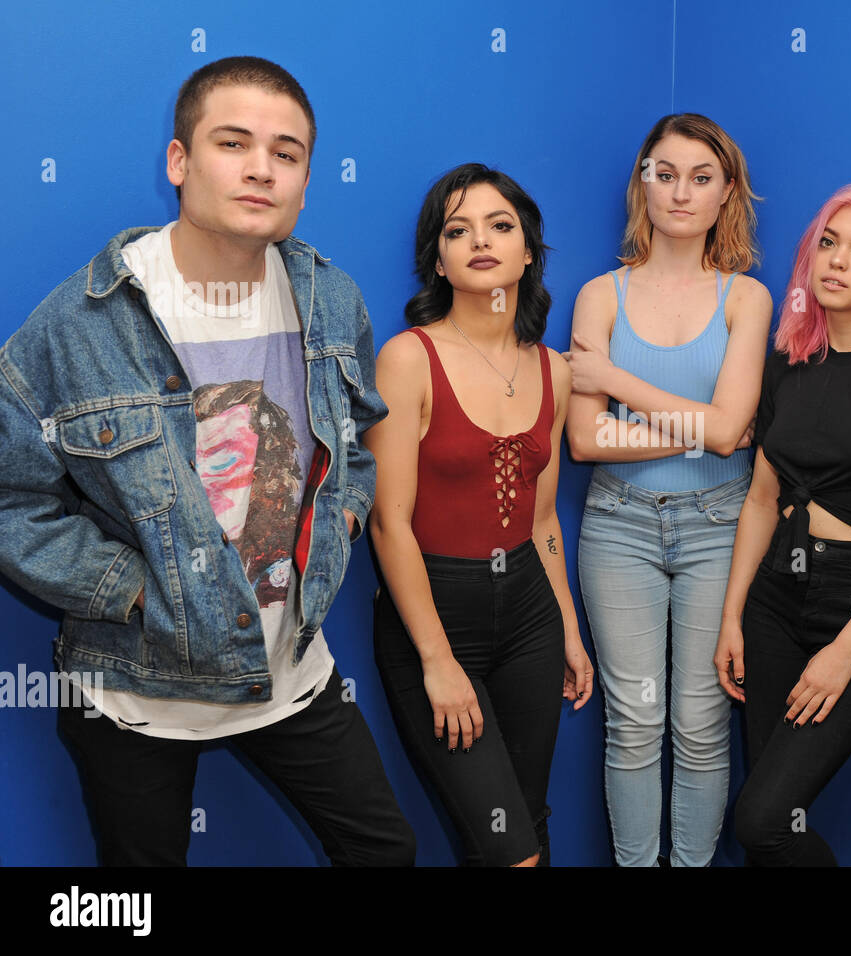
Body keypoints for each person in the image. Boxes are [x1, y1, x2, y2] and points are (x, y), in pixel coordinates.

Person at [0, 56, 415, 865]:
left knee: (386, 853)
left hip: (292, 671)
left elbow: (356, 440)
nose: (261, 167)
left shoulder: (332, 299)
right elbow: (9, 497)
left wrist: (348, 513)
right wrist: (127, 590)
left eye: (287, 153)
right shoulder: (80, 326)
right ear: (179, 162)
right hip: (136, 692)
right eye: (233, 143)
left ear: (304, 178)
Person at [367, 163, 593, 867]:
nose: (481, 241)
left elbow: (544, 522)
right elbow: (387, 523)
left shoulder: (554, 370)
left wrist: (569, 630)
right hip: (435, 615)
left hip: (529, 615)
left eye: (501, 225)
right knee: (508, 848)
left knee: (528, 820)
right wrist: (436, 660)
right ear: (438, 259)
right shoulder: (408, 360)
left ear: (529, 250)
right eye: (457, 230)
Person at [564, 113, 771, 866]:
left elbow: (729, 434)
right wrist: (708, 427)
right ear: (642, 185)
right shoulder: (599, 296)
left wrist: (614, 379)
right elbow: (588, 441)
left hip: (721, 525)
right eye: (664, 173)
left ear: (726, 195)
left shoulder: (746, 299)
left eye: (701, 176)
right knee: (636, 723)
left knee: (701, 723)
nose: (681, 191)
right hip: (618, 523)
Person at [714, 184, 851, 866]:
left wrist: (849, 650)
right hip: (775, 596)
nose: (837, 262)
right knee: (772, 823)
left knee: (762, 821)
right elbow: (759, 499)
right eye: (828, 244)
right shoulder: (787, 362)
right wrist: (732, 615)